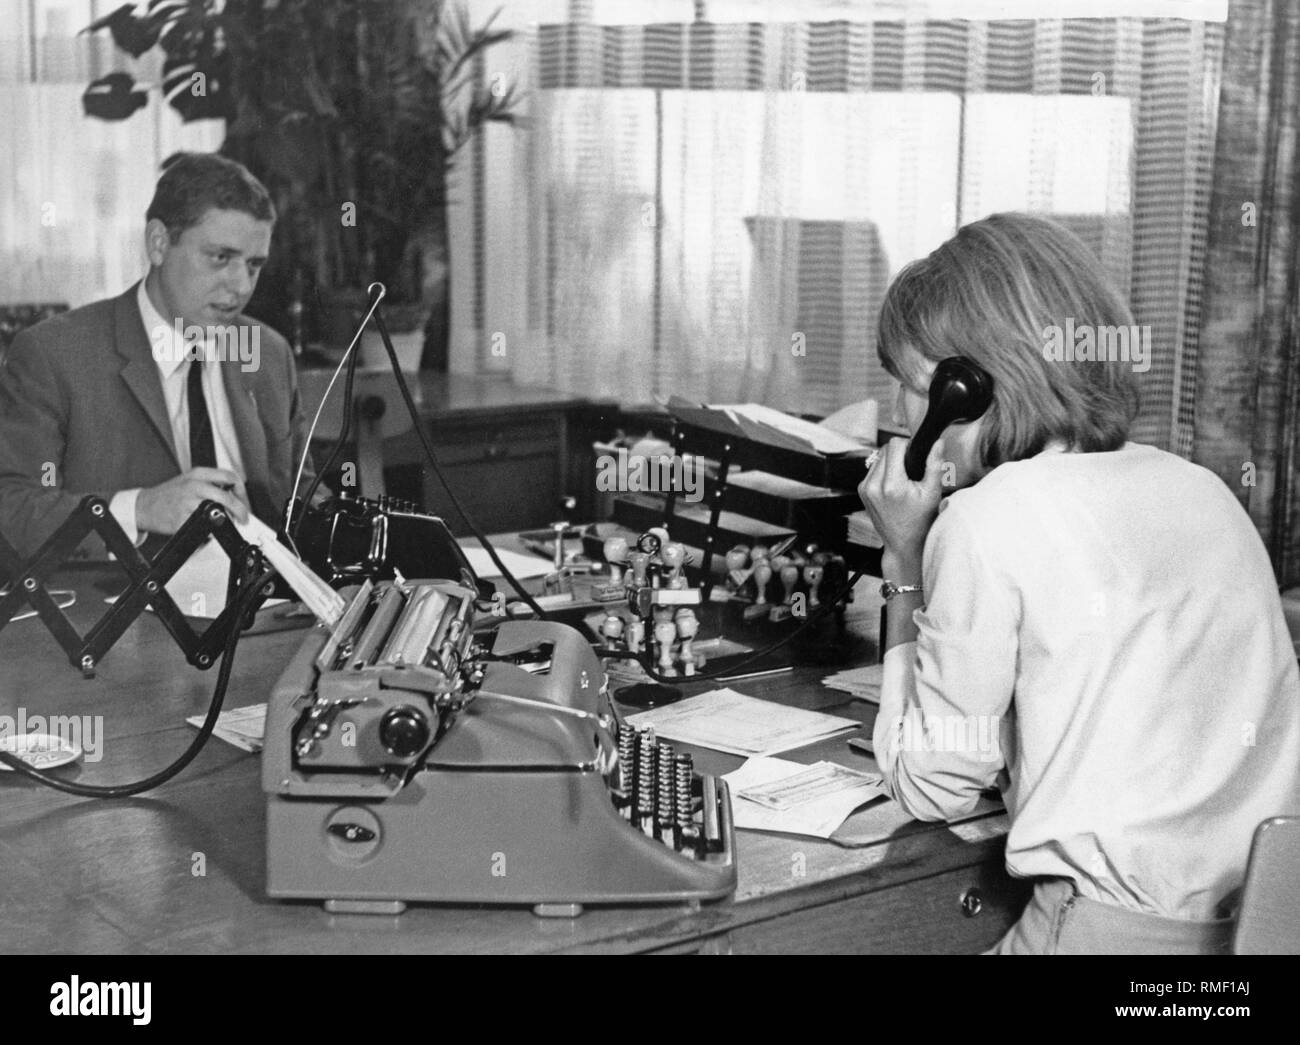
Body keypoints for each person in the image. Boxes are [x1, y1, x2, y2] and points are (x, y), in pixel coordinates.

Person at [859, 212, 1300, 954]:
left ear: (961, 395)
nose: (899, 413)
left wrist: (904, 562)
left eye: (907, 385)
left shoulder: (985, 520)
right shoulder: (1204, 490)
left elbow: (928, 786)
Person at [0, 152, 311, 560]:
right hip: (120, 616)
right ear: (159, 243)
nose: (240, 286)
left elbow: (302, 498)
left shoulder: (266, 352)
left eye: (253, 265)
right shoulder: (54, 354)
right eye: (221, 258)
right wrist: (142, 508)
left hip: (263, 610)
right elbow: (12, 508)